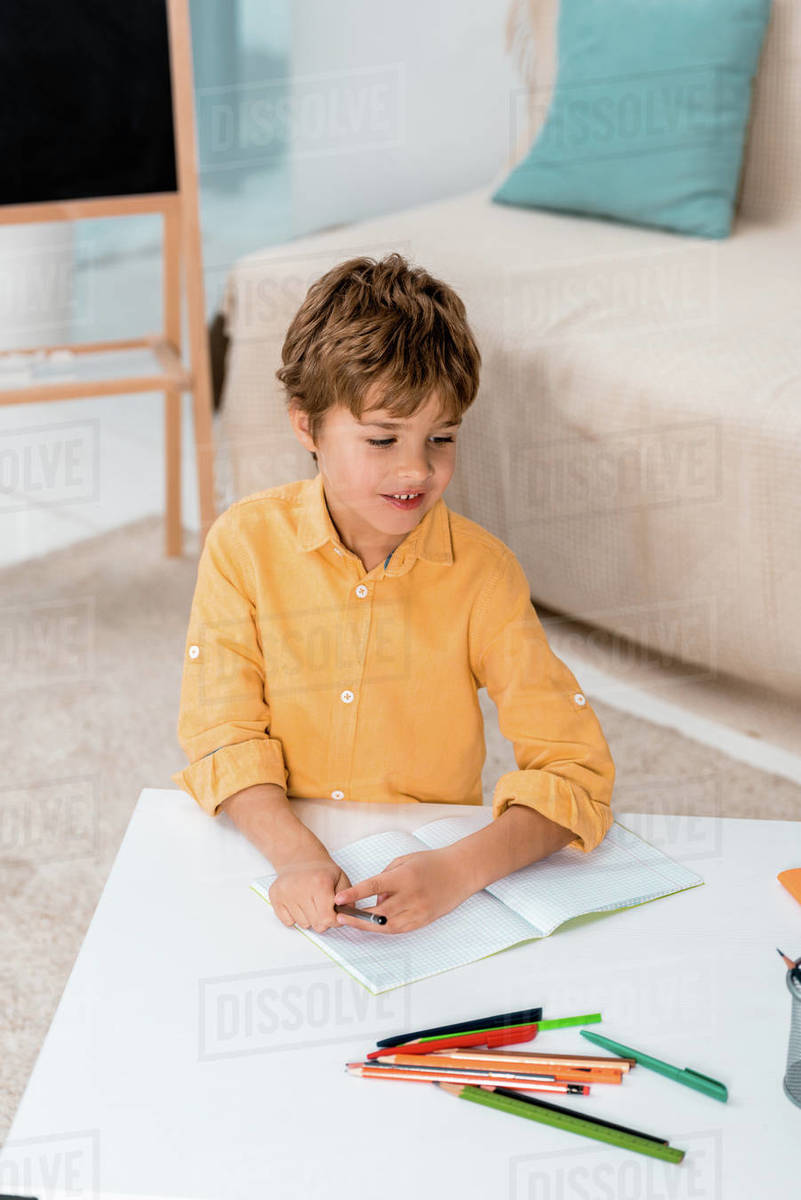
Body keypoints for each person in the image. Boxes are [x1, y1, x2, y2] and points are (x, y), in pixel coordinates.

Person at [172, 253, 615, 936]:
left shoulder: (483, 574)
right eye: (382, 439)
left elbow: (575, 771)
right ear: (305, 426)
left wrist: (458, 870)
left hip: (429, 878)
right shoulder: (243, 544)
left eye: (441, 438)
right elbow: (220, 733)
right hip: (273, 854)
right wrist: (296, 857)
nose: (416, 469)